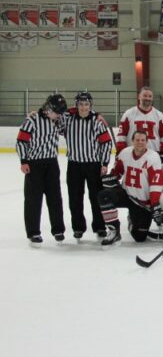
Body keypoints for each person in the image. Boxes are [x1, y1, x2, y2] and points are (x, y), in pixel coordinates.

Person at [16, 93, 67, 245]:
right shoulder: (32, 120)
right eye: (56, 112)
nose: (59, 115)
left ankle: (58, 230)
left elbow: (75, 113)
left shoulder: (58, 120)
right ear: (48, 108)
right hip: (34, 164)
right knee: (33, 199)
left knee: (55, 198)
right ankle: (33, 232)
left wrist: (97, 115)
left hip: (52, 164)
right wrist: (24, 161)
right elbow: (21, 141)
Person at [98, 130, 163, 247]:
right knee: (104, 195)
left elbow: (156, 183)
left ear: (147, 142)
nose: (140, 142)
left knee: (140, 237)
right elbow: (117, 172)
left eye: (143, 140)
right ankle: (114, 230)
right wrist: (110, 178)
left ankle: (131, 220)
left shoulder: (153, 158)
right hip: (126, 194)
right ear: (132, 141)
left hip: (142, 202)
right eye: (137, 140)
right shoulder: (125, 153)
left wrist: (154, 204)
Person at [61, 91, 113, 240]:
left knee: (96, 197)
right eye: (80, 104)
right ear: (76, 105)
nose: (83, 107)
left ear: (91, 106)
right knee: (75, 198)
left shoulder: (97, 122)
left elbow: (106, 143)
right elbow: (55, 120)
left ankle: (99, 226)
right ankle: (78, 227)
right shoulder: (68, 120)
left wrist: (105, 163)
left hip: (93, 165)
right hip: (74, 165)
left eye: (86, 104)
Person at [116, 87, 163, 153]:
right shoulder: (128, 114)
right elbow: (121, 137)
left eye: (150, 96)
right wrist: (121, 153)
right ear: (139, 97)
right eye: (145, 96)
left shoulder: (160, 116)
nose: (147, 98)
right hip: (132, 154)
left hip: (154, 154)